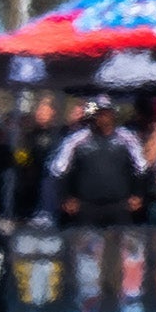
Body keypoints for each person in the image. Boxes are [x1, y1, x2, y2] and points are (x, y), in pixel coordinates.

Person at [47, 96, 146, 228]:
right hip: (86, 207)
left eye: (105, 113)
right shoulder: (76, 139)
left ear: (112, 114)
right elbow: (59, 170)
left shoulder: (127, 138)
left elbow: (141, 167)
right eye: (98, 114)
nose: (102, 117)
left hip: (120, 206)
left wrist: (138, 194)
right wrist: (66, 197)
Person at [12, 96, 63, 218]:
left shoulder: (60, 134)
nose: (40, 113)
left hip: (51, 185)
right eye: (39, 110)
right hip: (30, 185)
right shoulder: (29, 134)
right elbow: (21, 158)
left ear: (52, 112)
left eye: (44, 110)